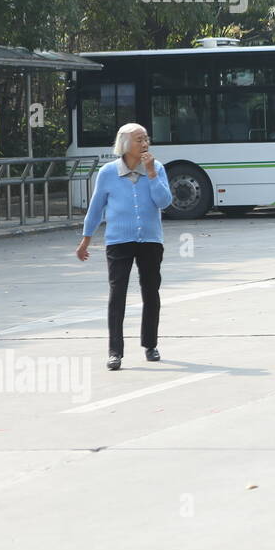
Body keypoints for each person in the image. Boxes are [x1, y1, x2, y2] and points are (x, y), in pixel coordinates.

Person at [76, 123, 173, 370]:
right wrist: (86, 239)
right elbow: (96, 207)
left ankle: (150, 344)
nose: (145, 143)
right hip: (119, 241)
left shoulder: (157, 168)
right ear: (125, 144)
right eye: (139, 139)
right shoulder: (108, 172)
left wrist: (151, 174)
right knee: (117, 294)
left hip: (150, 240)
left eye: (146, 139)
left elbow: (164, 201)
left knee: (151, 292)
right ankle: (114, 351)